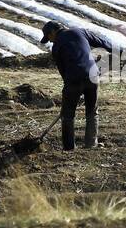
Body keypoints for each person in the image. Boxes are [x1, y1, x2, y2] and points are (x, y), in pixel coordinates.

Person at [41, 20, 114, 151]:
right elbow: (102, 43)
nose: (50, 41)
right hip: (92, 76)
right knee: (92, 112)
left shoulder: (57, 46)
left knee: (68, 115)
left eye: (48, 37)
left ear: (52, 32)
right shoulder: (80, 32)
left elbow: (62, 70)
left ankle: (69, 148)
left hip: (73, 80)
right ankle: (91, 144)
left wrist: (69, 88)